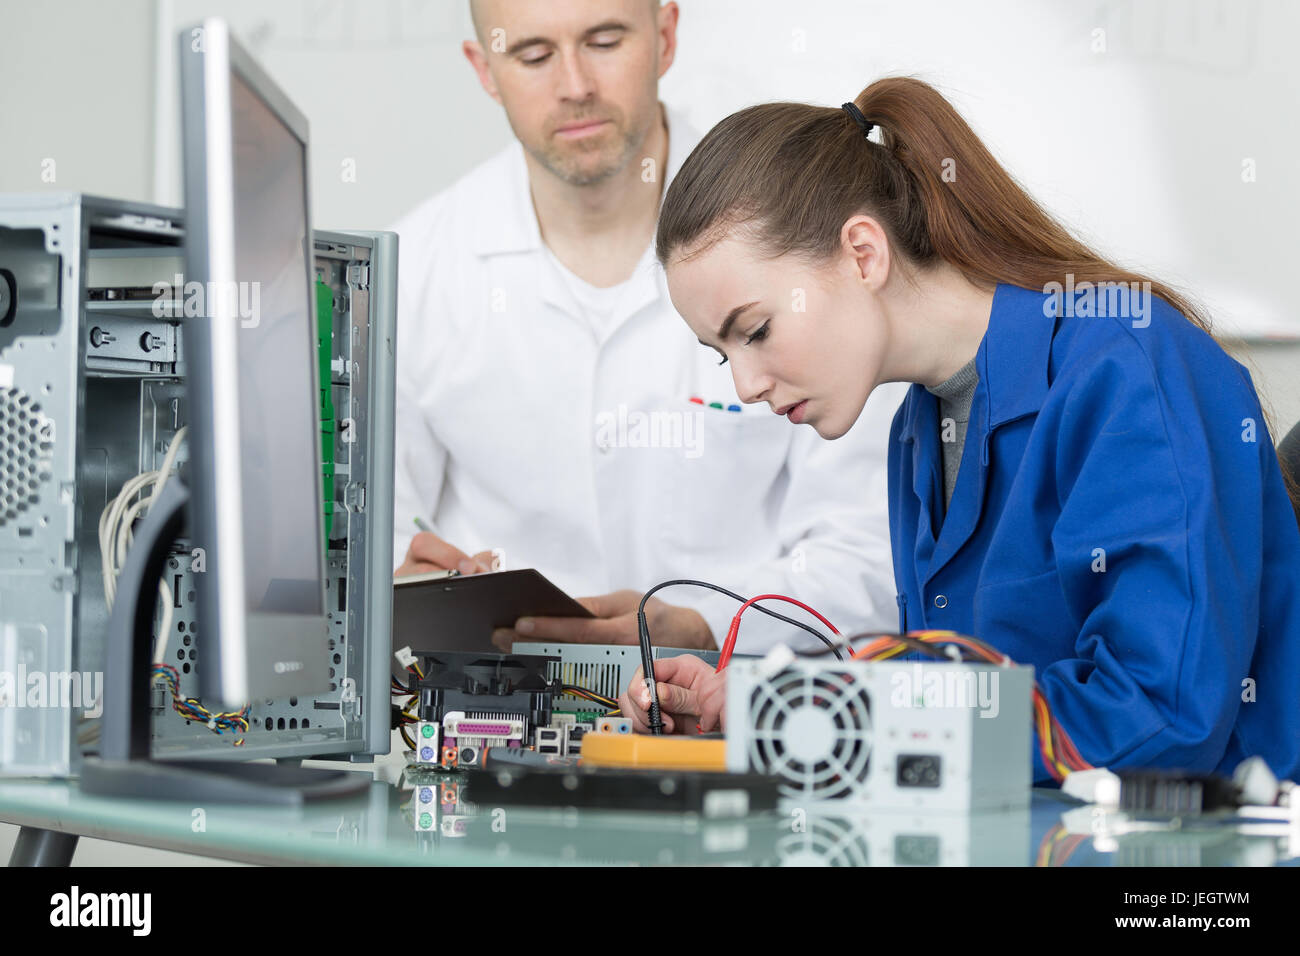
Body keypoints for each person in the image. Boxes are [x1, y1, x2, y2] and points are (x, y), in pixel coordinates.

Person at [618, 76, 1300, 784]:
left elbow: (1159, 716)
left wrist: (847, 713)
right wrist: (769, 705)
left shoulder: (1126, 367)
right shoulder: (919, 430)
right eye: (722, 354)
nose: (745, 385)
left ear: (862, 253)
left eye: (756, 331)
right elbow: (957, 685)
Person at [390, 0, 906, 653]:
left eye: (605, 40)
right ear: (484, 68)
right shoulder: (414, 269)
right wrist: (406, 578)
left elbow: (866, 553)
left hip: (742, 708)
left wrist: (699, 626)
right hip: (494, 720)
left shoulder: (796, 231)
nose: (575, 86)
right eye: (534, 55)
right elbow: (373, 536)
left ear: (665, 36)